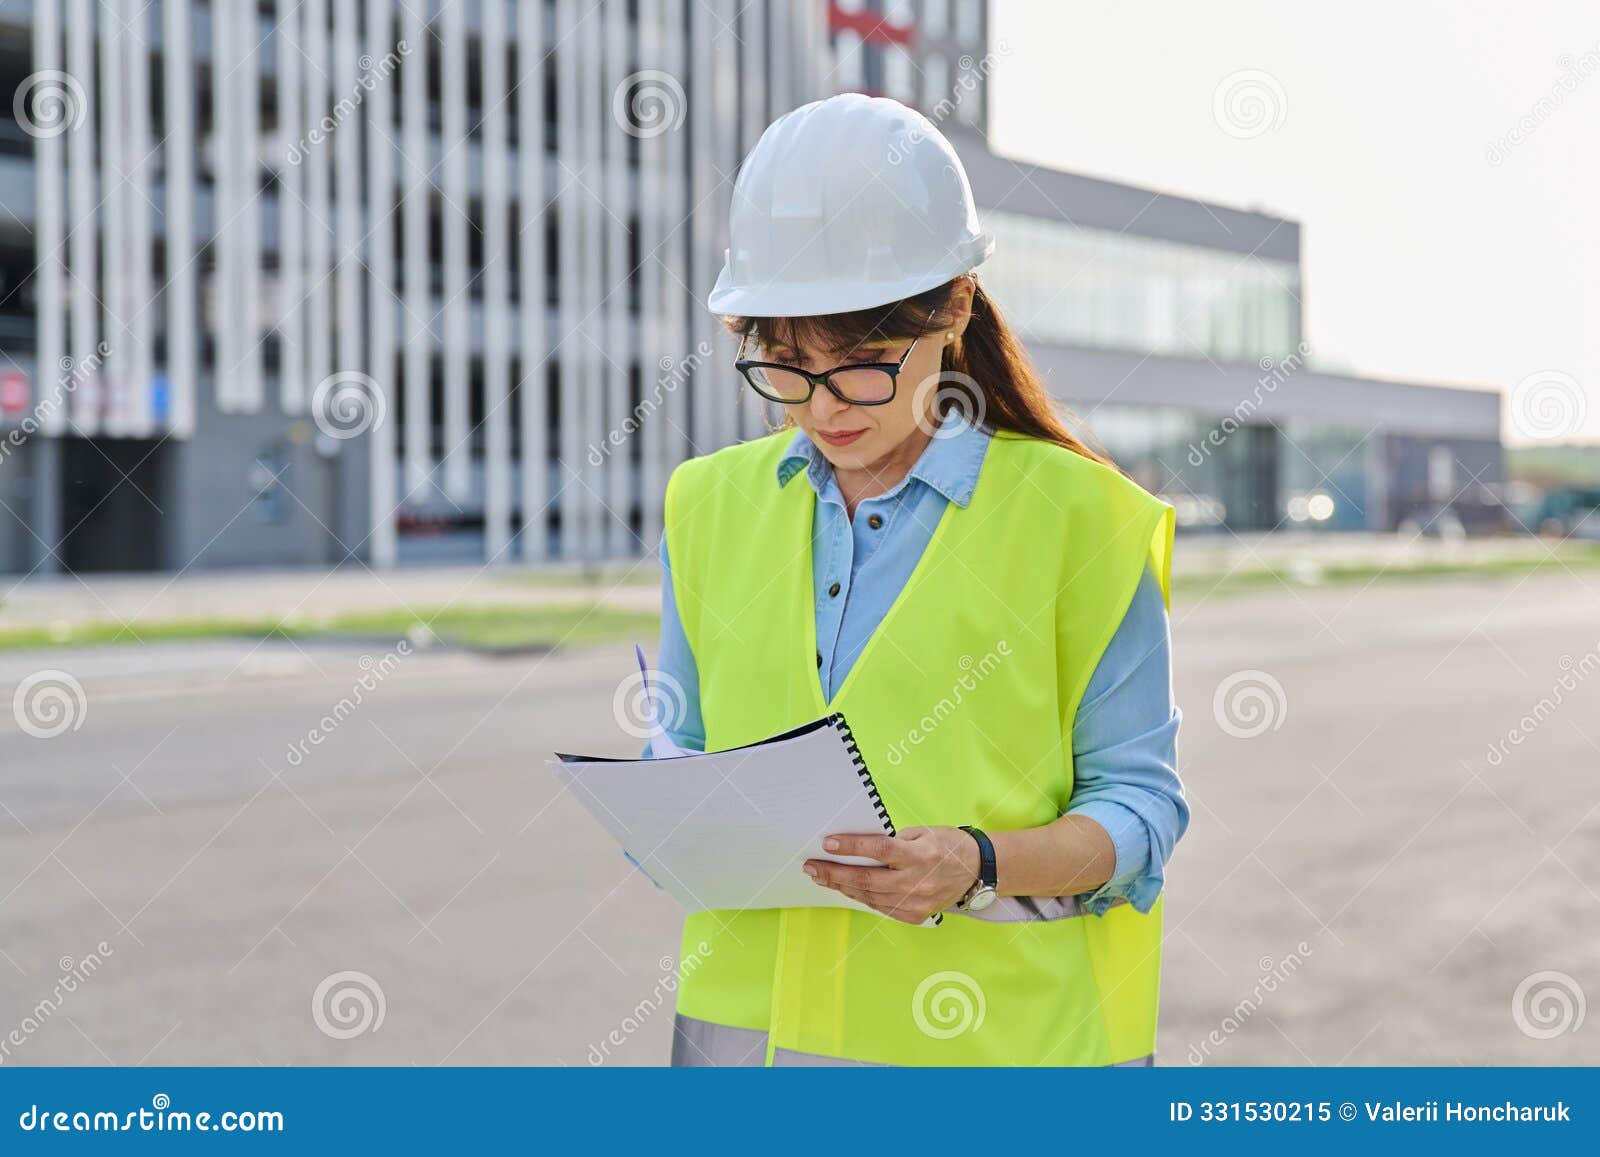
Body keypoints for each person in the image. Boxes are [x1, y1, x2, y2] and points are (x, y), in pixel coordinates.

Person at [646, 93, 1188, 1067]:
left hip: (996, 1058)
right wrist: (675, 805)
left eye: (860, 362)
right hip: (750, 1056)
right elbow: (679, 739)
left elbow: (1139, 808)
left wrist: (979, 865)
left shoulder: (1081, 521)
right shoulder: (705, 505)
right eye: (782, 361)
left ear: (955, 311)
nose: (821, 403)